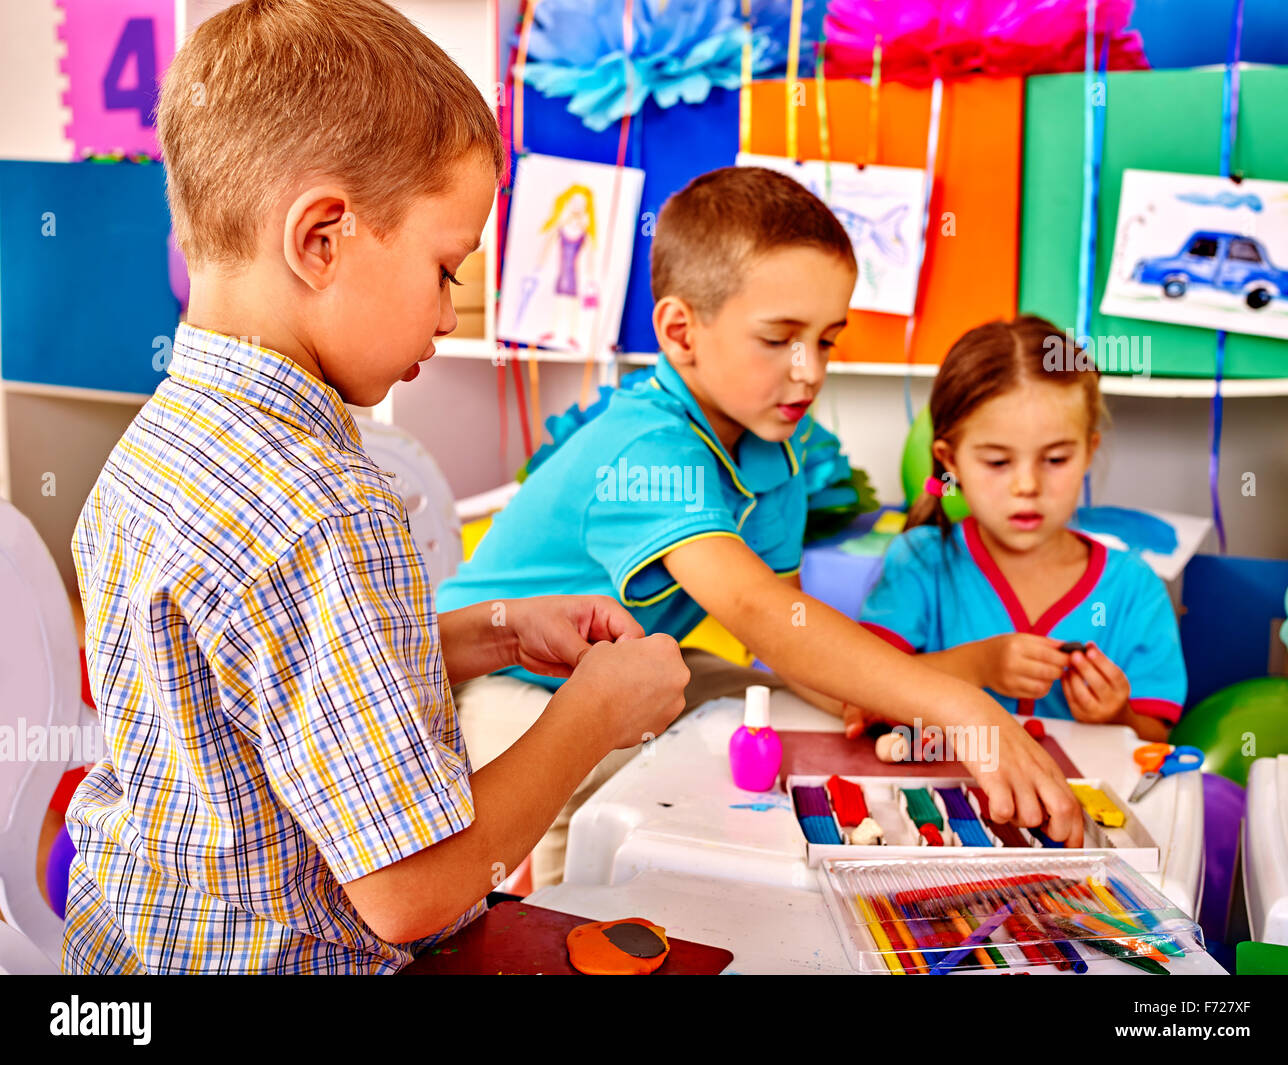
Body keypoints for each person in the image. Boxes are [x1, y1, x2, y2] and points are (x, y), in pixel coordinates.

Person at [62, 0, 688, 974]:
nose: (448, 313)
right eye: (445, 269)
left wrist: (492, 635)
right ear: (321, 239)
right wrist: (592, 719)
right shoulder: (327, 504)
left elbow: (254, 694)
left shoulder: (158, 445)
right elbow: (414, 892)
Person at [439, 168, 1086, 887]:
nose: (809, 371)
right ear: (680, 332)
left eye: (828, 340)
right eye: (779, 339)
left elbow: (791, 640)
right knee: (565, 843)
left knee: (767, 704)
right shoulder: (646, 446)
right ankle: (553, 916)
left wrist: (895, 701)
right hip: (495, 680)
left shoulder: (774, 456)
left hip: (622, 668)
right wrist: (962, 702)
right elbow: (759, 610)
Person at [859, 315, 1186, 742]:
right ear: (950, 460)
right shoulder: (919, 563)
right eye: (997, 462)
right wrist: (978, 665)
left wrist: (1118, 716)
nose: (1027, 486)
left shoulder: (1134, 589)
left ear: (1089, 452)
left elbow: (1154, 738)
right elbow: (864, 688)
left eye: (1055, 460)